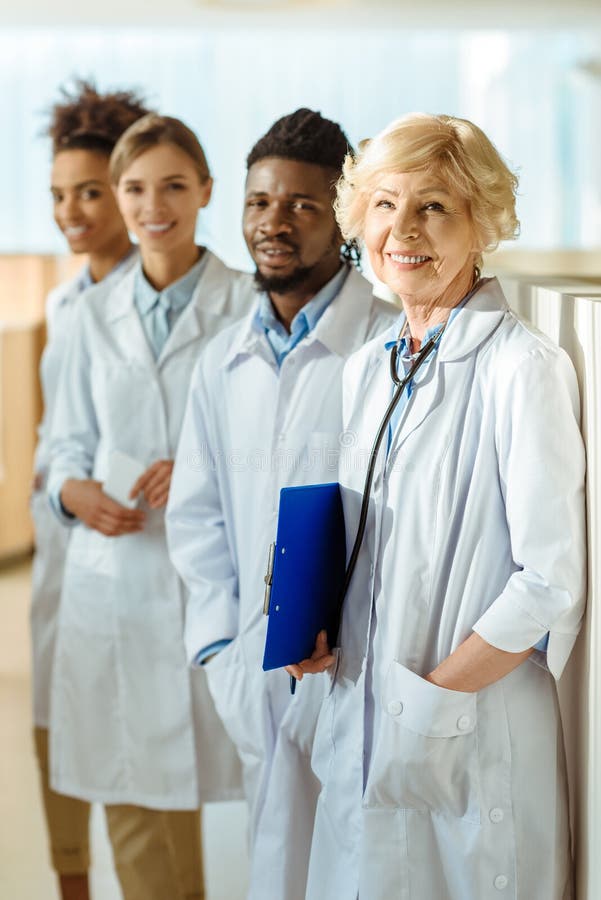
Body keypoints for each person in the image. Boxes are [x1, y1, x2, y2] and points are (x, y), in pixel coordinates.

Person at [286, 113, 587, 900]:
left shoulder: (520, 369)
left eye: (433, 207)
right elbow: (372, 551)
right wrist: (319, 621)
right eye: (384, 204)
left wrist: (429, 702)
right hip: (363, 713)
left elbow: (548, 581)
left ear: (480, 224)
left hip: (465, 731)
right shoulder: (369, 367)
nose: (402, 230)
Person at [166, 108, 397, 900]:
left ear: (342, 219)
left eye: (301, 205)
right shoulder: (219, 361)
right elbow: (196, 518)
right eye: (260, 202)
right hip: (249, 663)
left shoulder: (387, 345)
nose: (274, 223)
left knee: (353, 859)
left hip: (352, 664)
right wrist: (216, 650)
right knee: (273, 861)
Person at [47, 113, 249, 900]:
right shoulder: (89, 316)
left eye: (172, 184)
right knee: (133, 801)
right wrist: (75, 492)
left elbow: (282, 444)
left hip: (211, 580)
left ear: (205, 191)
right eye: (134, 187)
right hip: (118, 579)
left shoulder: (245, 307)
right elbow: (64, 444)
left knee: (248, 803)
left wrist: (201, 467)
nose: (151, 204)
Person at [30, 79, 149, 900]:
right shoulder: (62, 302)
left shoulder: (162, 296)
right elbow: (50, 446)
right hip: (64, 555)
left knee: (132, 751)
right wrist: (64, 489)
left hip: (138, 559)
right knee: (55, 736)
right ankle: (71, 886)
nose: (71, 211)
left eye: (91, 192)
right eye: (58, 195)